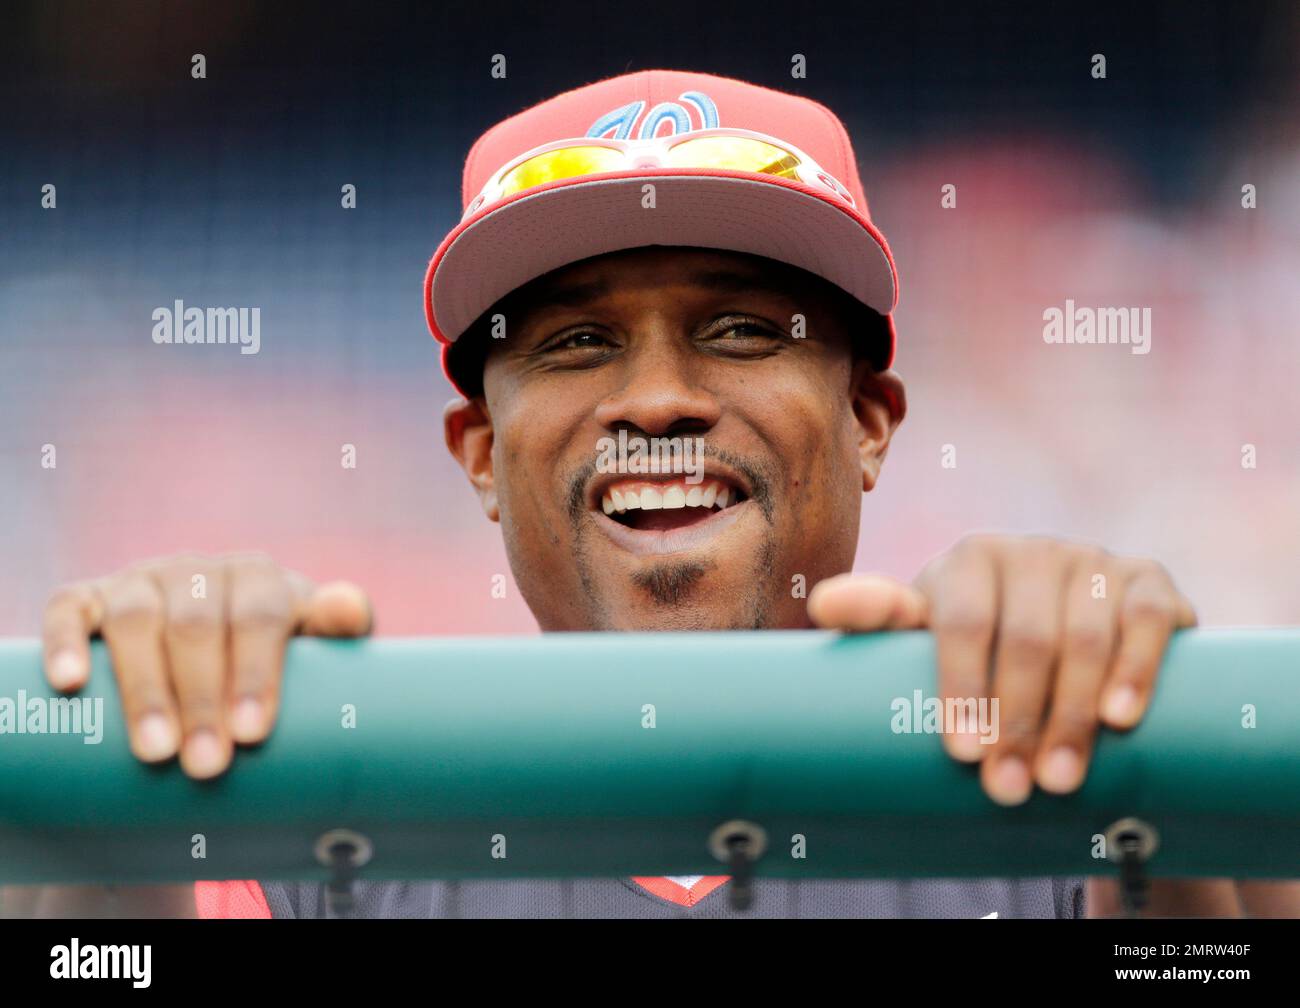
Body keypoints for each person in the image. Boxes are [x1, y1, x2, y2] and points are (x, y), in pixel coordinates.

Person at [13, 70, 1296, 918]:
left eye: (738, 329)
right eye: (576, 344)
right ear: (476, 454)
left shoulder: (1039, 788)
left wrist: (1140, 759)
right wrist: (128, 810)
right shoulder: (312, 833)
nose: (658, 399)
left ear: (868, 423)